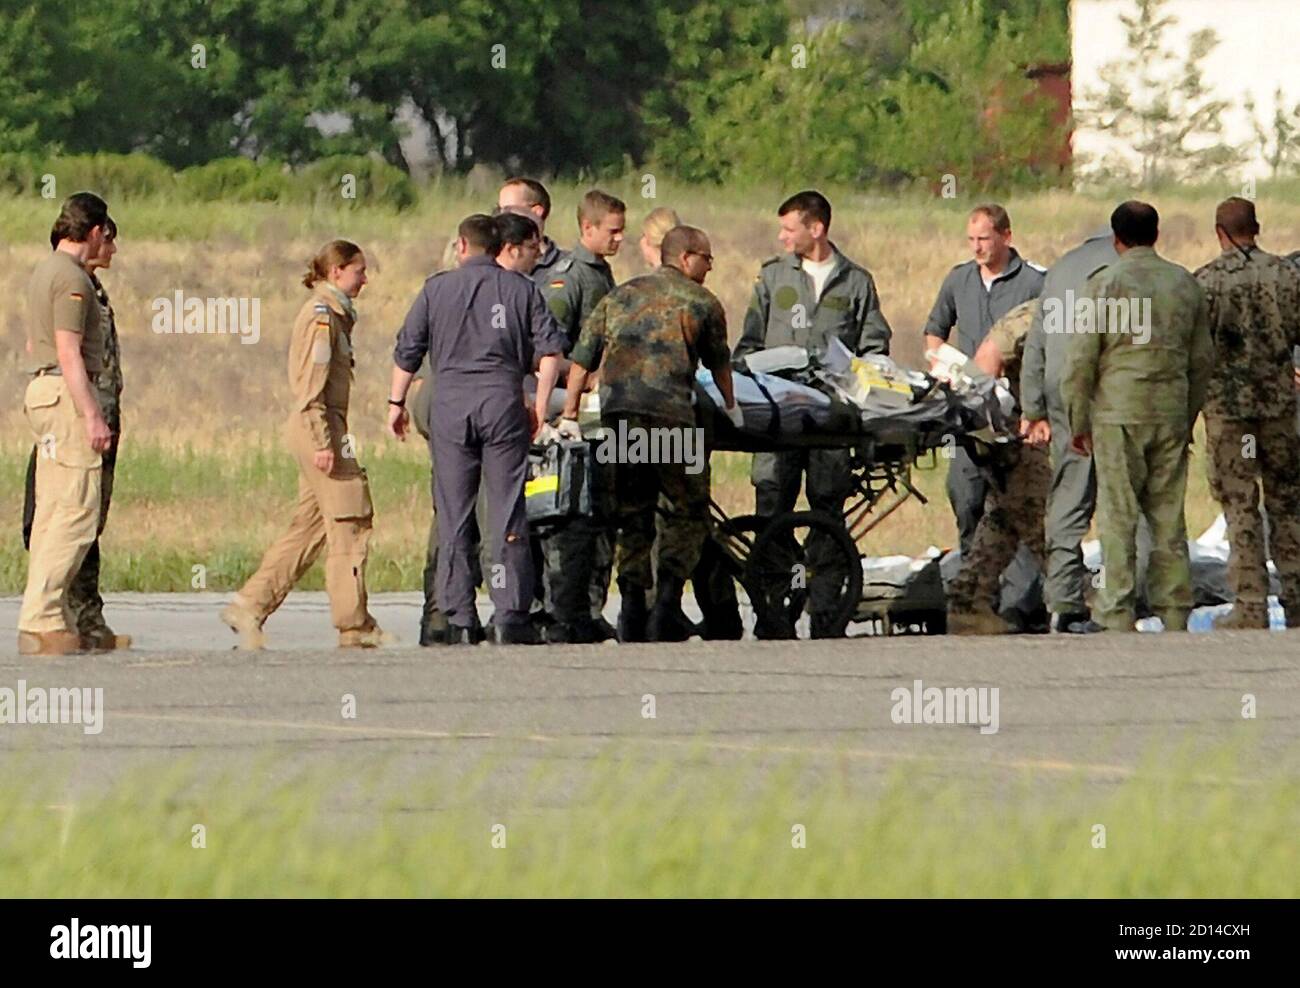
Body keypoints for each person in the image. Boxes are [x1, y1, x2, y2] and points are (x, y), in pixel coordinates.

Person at [388, 214, 566, 645]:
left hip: (450, 406)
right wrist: (539, 406)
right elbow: (550, 354)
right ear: (497, 247)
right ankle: (508, 613)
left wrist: (395, 404)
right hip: (502, 402)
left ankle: (459, 615)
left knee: (453, 512)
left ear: (461, 246)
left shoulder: (436, 289)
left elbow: (407, 352)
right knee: (506, 511)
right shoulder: (522, 289)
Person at [560, 225, 738, 641]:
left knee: (632, 512)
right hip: (672, 419)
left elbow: (583, 358)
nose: (709, 267)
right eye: (707, 259)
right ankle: (667, 606)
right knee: (687, 511)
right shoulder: (703, 302)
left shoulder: (620, 295)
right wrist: (733, 408)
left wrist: (570, 411)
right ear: (686, 257)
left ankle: (632, 611)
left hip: (620, 418)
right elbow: (720, 365)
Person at [731, 190, 891, 638]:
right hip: (776, 419)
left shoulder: (857, 282)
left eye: (789, 228)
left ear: (816, 228)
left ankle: (825, 614)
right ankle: (772, 613)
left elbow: (874, 347)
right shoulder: (771, 278)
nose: (781, 237)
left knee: (828, 511)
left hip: (830, 424)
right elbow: (747, 345)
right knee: (772, 510)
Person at [220, 241, 385, 649]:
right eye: (358, 271)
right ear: (336, 272)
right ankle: (354, 624)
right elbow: (310, 388)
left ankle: (251, 606)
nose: (365, 279)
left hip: (325, 427)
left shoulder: (335, 315)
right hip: (320, 427)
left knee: (310, 527)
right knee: (350, 517)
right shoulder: (322, 318)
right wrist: (321, 441)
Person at [1061, 201, 1213, 633]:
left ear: (1116, 239)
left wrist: (1078, 422)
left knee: (1118, 515)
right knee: (1168, 516)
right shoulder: (1184, 284)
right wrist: (1186, 416)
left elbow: (1080, 361)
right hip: (1168, 410)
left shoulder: (1104, 285)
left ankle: (1116, 610)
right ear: (1157, 234)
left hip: (1117, 413)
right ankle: (1173, 608)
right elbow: (1202, 359)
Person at [23, 216, 130, 651]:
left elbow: (37, 345)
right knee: (75, 512)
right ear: (94, 231)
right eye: (109, 237)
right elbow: (67, 351)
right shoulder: (71, 279)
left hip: (49, 394)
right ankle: (42, 619)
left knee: (53, 511)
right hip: (69, 397)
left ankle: (54, 617)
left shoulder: (48, 272)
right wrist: (91, 414)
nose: (113, 249)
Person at [1194, 197, 1300, 629]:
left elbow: (1195, 350)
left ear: (1220, 232)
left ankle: (1251, 603)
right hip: (1278, 408)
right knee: (1288, 503)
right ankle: (1296, 599)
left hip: (1229, 412)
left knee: (1239, 505)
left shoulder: (1204, 283)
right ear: (1257, 228)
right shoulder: (1287, 276)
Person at [923, 205, 1045, 564]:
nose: (977, 248)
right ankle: (972, 577)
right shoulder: (958, 279)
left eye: (985, 239)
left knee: (1017, 500)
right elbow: (935, 329)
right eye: (971, 240)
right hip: (969, 413)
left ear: (1006, 236)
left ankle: (1022, 600)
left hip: (1016, 412)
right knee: (965, 493)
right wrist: (939, 365)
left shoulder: (1036, 282)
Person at [1019, 226, 1117, 633]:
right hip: (1114, 396)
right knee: (1124, 498)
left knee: (1069, 494)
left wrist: (1033, 407)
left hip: (1061, 395)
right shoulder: (1123, 268)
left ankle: (1063, 598)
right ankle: (1125, 598)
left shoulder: (1058, 271)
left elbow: (1036, 343)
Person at [539, 190, 626, 643]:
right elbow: (547, 350)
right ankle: (566, 612)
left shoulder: (601, 273)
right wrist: (579, 385)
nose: (619, 238)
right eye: (611, 230)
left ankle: (589, 608)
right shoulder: (568, 279)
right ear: (587, 228)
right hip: (572, 417)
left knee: (602, 516)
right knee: (575, 518)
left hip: (599, 415)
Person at [944, 300, 1052, 634]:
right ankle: (1080, 601)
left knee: (1004, 518)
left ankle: (968, 602)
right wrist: (996, 428)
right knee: (1042, 517)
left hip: (1049, 433)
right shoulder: (1042, 313)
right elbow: (987, 361)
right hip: (1023, 434)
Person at [498, 176, 565, 283]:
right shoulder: (493, 262)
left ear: (537, 211)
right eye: (499, 210)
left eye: (509, 209)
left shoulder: (568, 267)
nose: (502, 216)